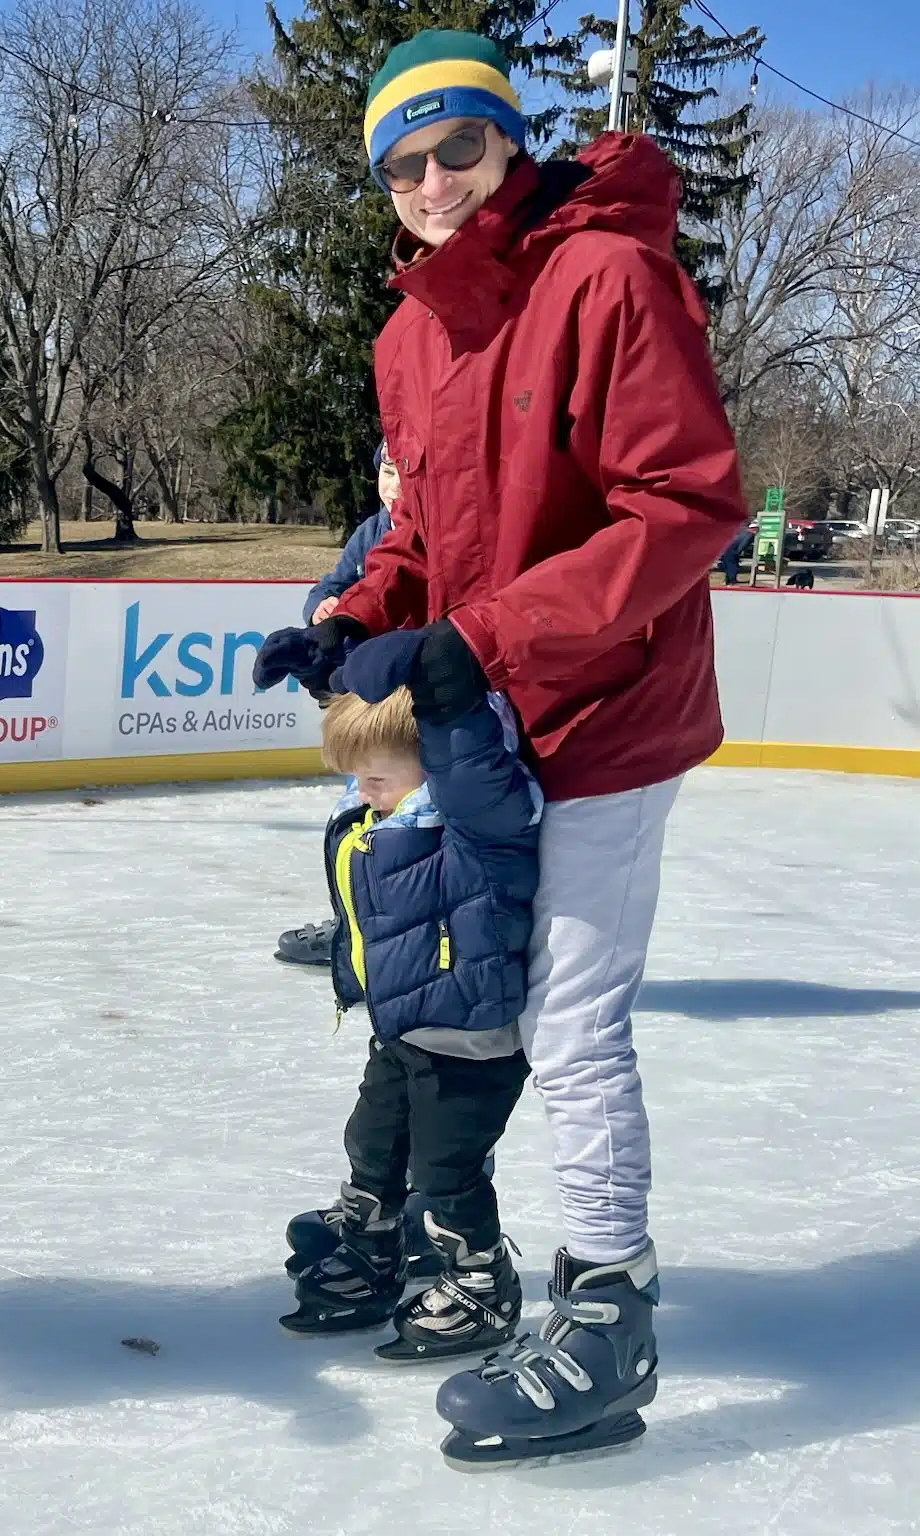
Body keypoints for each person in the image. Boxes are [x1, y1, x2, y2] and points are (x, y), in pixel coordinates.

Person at [257, 29, 745, 1465]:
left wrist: (481, 643)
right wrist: (351, 613)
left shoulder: (606, 275)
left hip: (606, 710)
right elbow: (424, 534)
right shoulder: (411, 333)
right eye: (400, 165)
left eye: (456, 148)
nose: (431, 183)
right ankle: (445, 1240)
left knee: (571, 1017)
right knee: (458, 986)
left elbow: (686, 508)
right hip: (493, 725)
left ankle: (610, 1313)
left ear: (508, 139)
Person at [279, 664, 537, 1365]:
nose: (362, 794)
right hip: (403, 1031)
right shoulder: (386, 814)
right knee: (372, 1144)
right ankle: (373, 1254)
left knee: (446, 1170)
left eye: (377, 779)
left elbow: (474, 767)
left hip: (470, 1040)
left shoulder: (475, 821)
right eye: (356, 779)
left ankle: (481, 1284)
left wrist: (453, 706)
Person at [276, 446, 402, 968]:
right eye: (386, 472)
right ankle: (353, 926)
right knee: (353, 817)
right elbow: (331, 588)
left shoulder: (446, 530)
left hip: (419, 702)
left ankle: (399, 931)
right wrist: (324, 609)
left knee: (402, 821)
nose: (394, 486)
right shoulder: (372, 531)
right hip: (376, 702)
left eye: (406, 473)